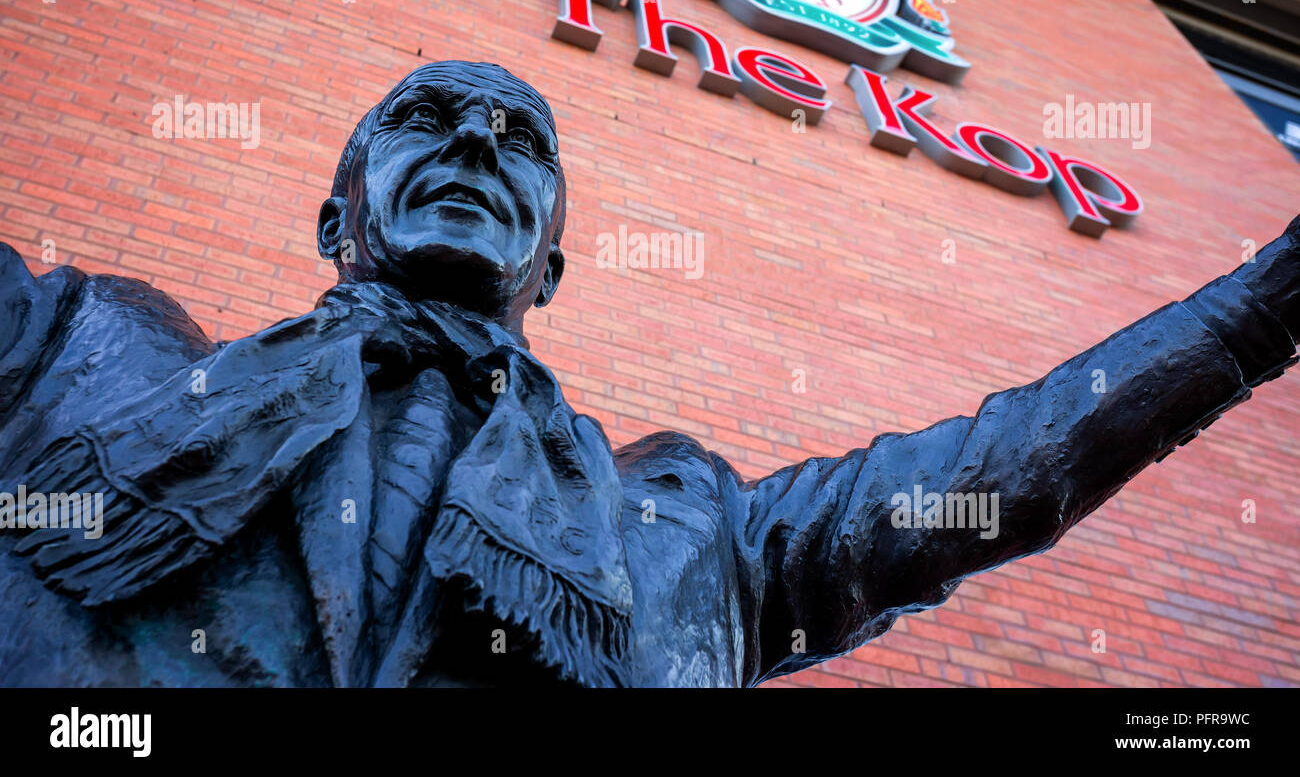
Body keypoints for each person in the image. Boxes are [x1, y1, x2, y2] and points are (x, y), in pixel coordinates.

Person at [1, 61, 1296, 687]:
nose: (477, 146)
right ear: (336, 224)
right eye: (424, 120)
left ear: (550, 273)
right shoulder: (79, 359)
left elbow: (1005, 473)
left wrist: (1265, 310)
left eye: (521, 141)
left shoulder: (685, 538)